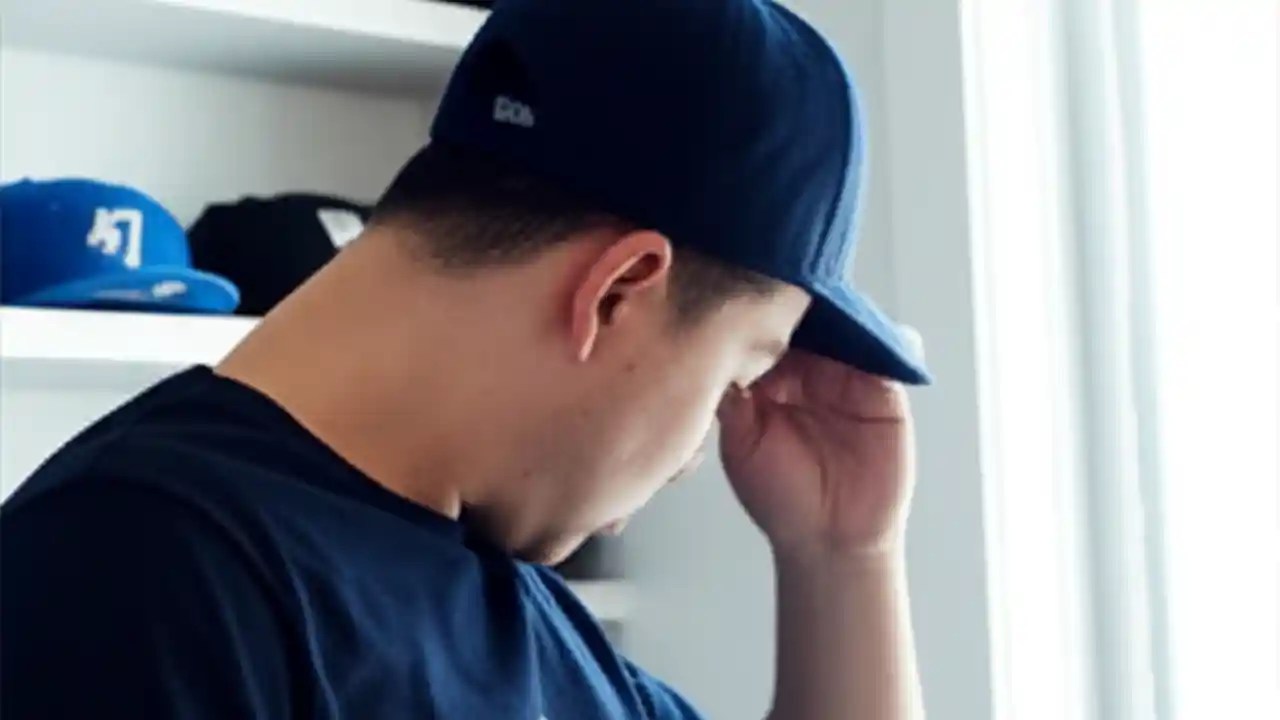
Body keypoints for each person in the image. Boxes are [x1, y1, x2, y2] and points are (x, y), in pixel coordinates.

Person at [1, 0, 931, 718]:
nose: (699, 458)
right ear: (617, 291)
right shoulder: (142, 572)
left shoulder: (523, 605)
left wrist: (844, 556)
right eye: (736, 375)